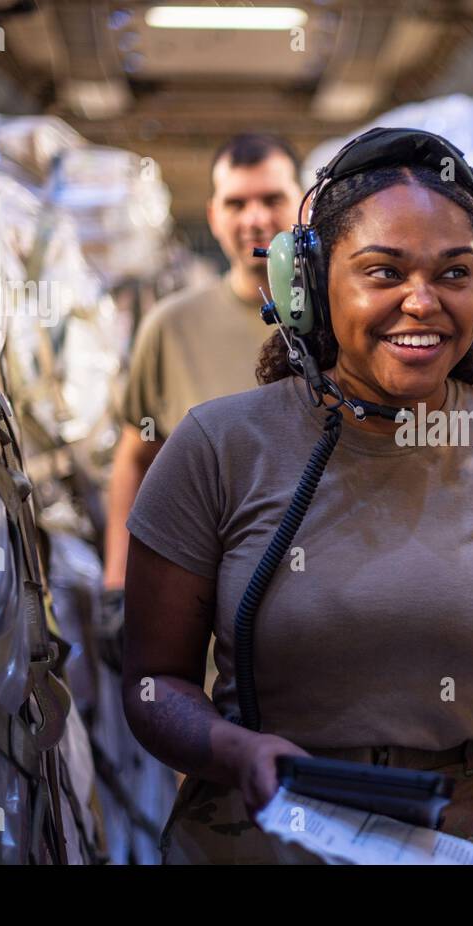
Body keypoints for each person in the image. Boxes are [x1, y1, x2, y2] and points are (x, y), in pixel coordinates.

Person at [121, 129, 473, 865]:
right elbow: (154, 684)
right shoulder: (217, 447)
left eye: (455, 272)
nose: (423, 303)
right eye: (383, 273)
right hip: (264, 833)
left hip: (460, 836)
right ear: (310, 287)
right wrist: (233, 749)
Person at [102, 133, 304, 594]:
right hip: (205, 623)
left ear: (304, 207)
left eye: (273, 198)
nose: (255, 218)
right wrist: (119, 578)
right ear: (214, 216)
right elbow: (136, 455)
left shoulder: (347, 321)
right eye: (236, 203)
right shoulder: (170, 327)